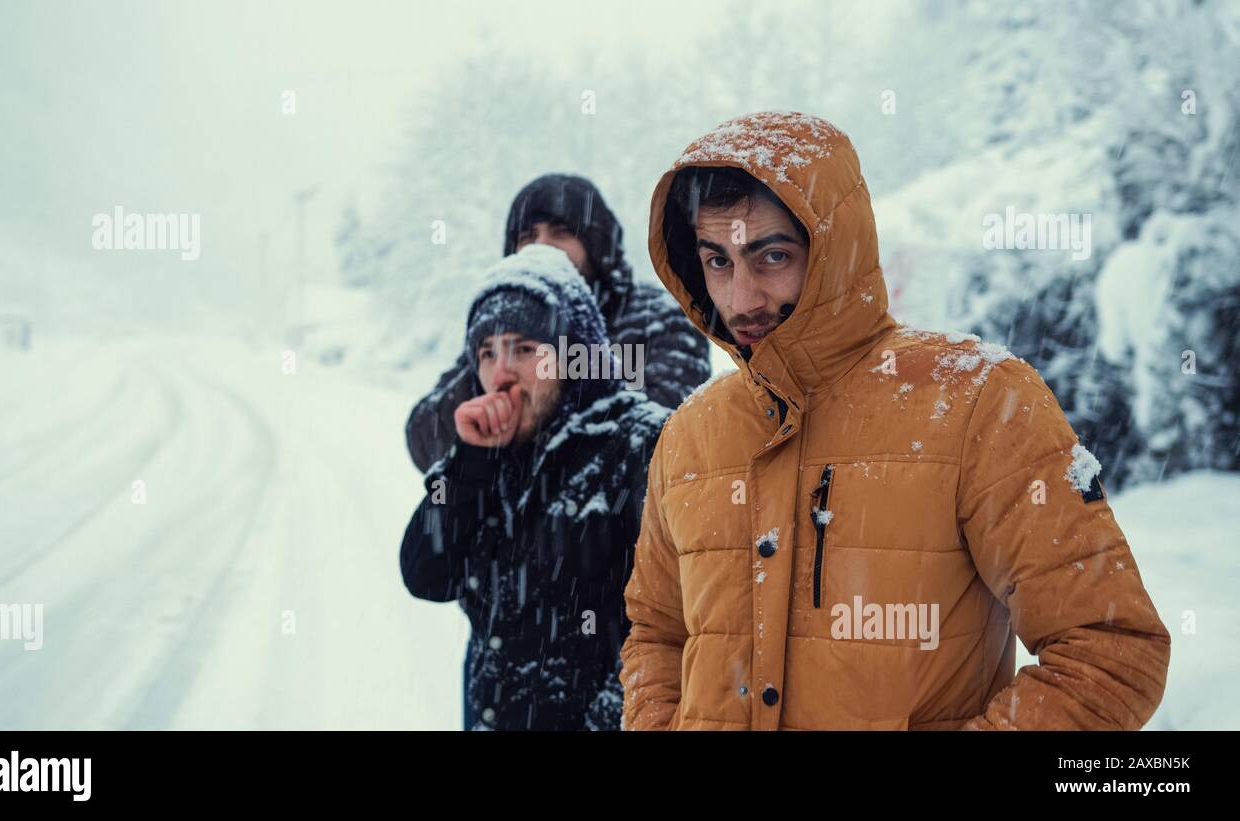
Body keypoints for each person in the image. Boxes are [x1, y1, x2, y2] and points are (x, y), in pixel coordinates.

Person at [619, 111, 1171, 730]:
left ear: (835, 251)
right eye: (717, 262)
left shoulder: (976, 399)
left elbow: (1111, 648)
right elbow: (657, 635)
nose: (740, 298)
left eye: (771, 256)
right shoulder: (690, 436)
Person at [400, 244, 668, 730]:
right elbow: (426, 575)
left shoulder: (641, 444)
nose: (500, 373)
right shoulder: (488, 455)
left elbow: (683, 625)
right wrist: (469, 463)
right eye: (486, 352)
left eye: (524, 349)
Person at [404, 173, 709, 474]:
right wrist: (495, 391)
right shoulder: (502, 332)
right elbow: (424, 438)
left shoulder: (656, 316)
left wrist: (542, 403)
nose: (542, 246)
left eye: (560, 233)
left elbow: (671, 432)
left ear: (596, 245)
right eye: (527, 237)